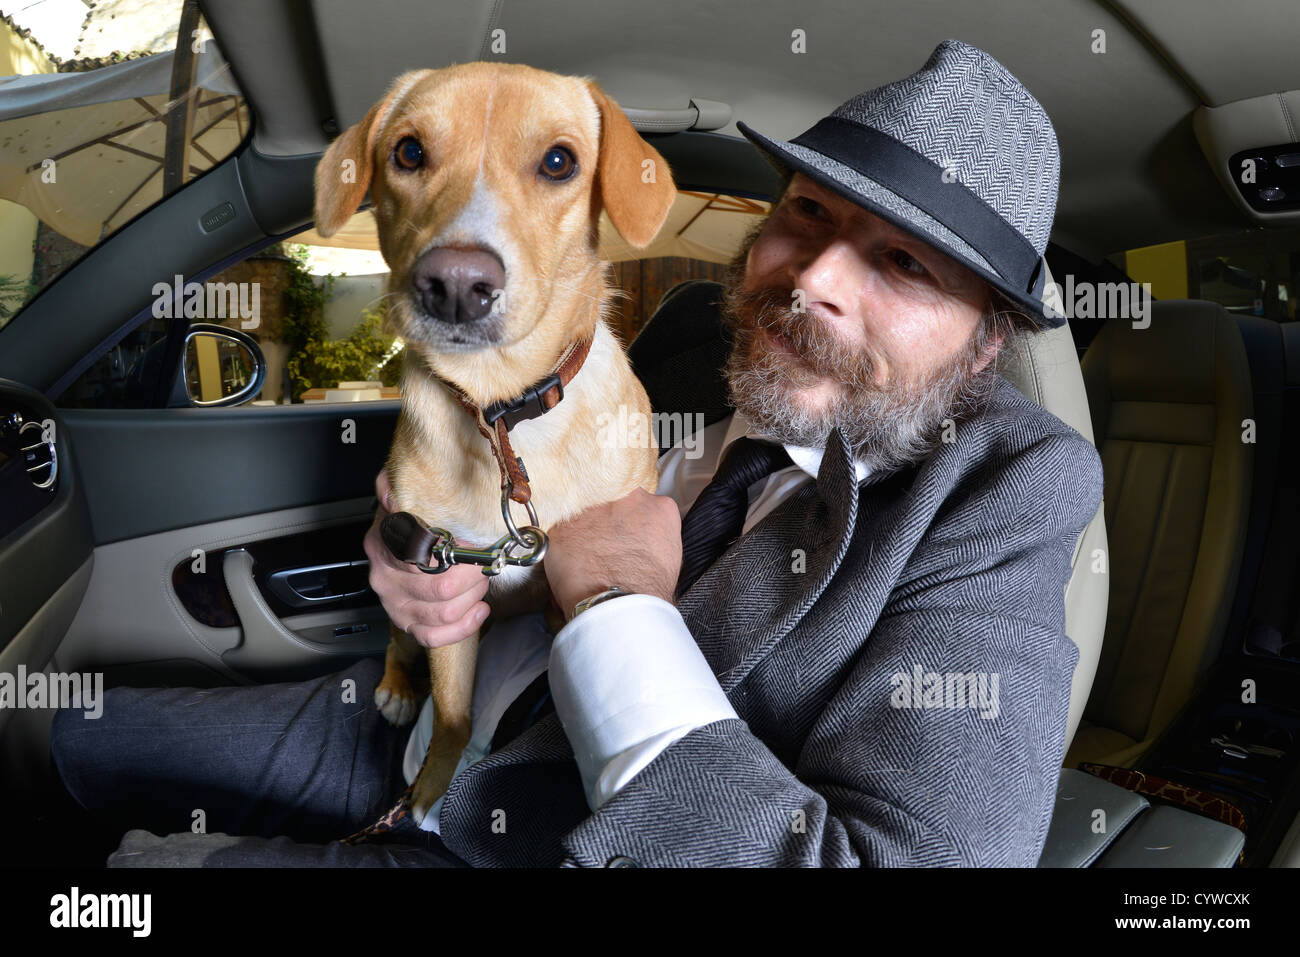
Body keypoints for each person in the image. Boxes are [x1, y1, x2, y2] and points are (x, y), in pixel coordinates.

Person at [52, 38, 1102, 867]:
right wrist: (423, 561)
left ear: (987, 338)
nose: (813, 277)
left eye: (905, 261)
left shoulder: (1009, 491)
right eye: (808, 212)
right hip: (415, 733)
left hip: (546, 839)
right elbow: (516, 515)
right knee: (68, 734)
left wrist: (616, 609)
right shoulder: (701, 340)